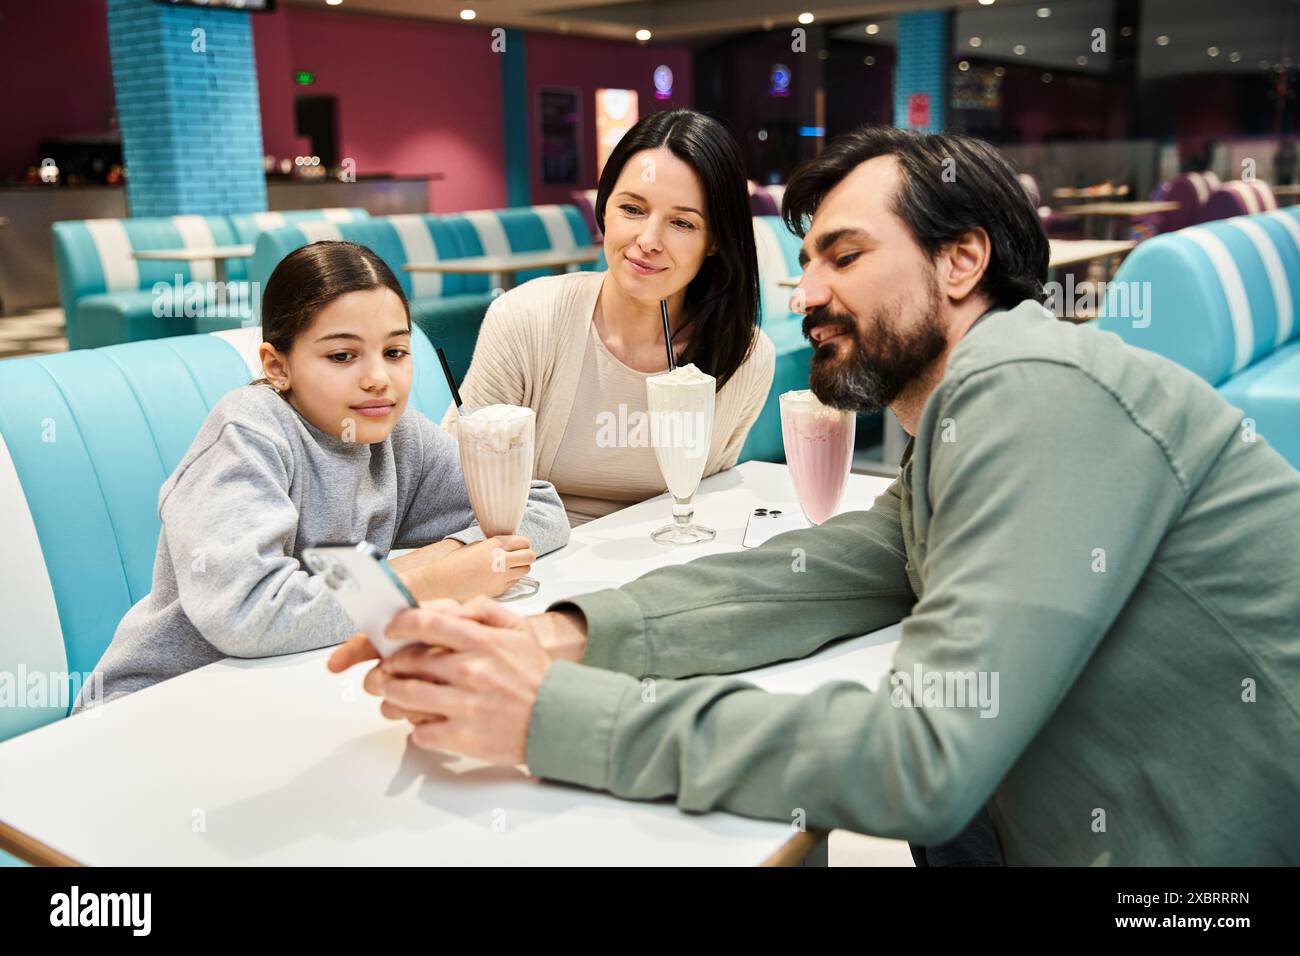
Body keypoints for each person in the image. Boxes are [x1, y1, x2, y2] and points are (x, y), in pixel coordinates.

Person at [328, 128, 1300, 865]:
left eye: (844, 255)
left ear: (960, 261)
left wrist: (554, 714)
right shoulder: (977, 413)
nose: (804, 293)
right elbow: (815, 577)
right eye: (807, 262)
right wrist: (559, 637)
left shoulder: (1038, 389)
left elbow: (924, 755)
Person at [77, 241, 569, 708]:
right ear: (277, 365)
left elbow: (540, 509)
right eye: (341, 356)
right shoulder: (248, 432)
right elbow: (250, 613)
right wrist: (436, 580)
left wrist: (444, 559)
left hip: (287, 692)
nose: (378, 377)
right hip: (158, 705)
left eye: (395, 352)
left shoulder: (392, 433)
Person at [445, 109, 775, 526]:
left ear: (715, 240)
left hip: (671, 573)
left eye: (681, 222)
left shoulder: (745, 357)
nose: (648, 241)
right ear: (604, 210)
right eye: (633, 209)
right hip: (534, 566)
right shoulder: (525, 320)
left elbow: (704, 502)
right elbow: (457, 485)